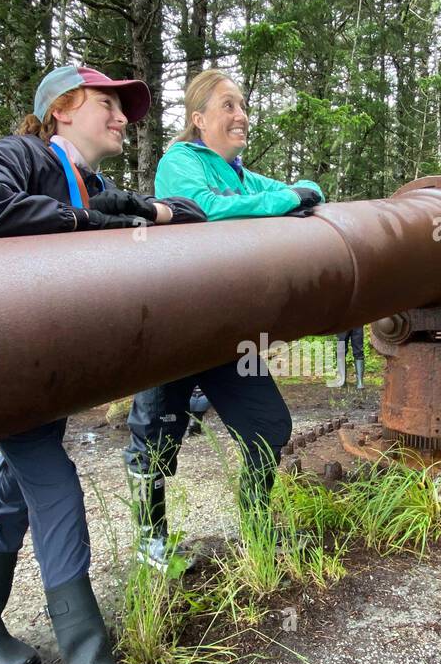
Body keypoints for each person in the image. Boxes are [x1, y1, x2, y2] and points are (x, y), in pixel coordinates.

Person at [0, 65, 204, 664]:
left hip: (58, 365)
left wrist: (140, 208)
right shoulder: (24, 156)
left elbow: (191, 214)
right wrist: (89, 218)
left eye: (125, 109)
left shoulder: (96, 182)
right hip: (8, 357)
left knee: (15, 482)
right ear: (62, 109)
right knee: (53, 483)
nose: (123, 118)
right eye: (108, 105)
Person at [125, 69, 321, 568]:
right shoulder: (180, 161)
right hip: (177, 325)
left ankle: (257, 530)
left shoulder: (239, 171)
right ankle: (152, 546)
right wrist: (282, 201)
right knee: (155, 435)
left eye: (243, 106)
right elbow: (206, 211)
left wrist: (296, 193)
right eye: (228, 106)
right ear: (198, 119)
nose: (242, 115)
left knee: (268, 424)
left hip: (229, 332)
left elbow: (300, 188)